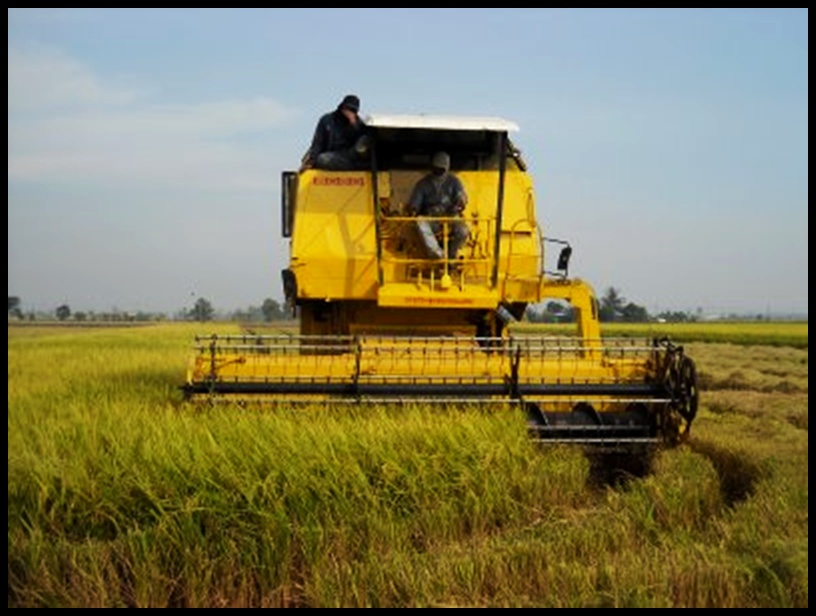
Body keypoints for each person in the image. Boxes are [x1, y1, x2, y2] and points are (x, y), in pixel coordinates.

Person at [407, 151, 469, 262]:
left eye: (441, 169)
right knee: (420, 222)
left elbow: (461, 196)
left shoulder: (454, 182)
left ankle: (451, 256)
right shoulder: (423, 184)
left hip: (451, 216)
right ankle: (439, 255)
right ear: (432, 167)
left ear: (447, 168)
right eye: (436, 169)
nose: (438, 172)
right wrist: (413, 209)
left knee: (463, 231)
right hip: (432, 218)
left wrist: (461, 202)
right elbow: (415, 202)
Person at [302, 94, 370, 170]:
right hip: (333, 156)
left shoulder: (359, 123)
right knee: (322, 159)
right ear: (342, 107)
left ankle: (358, 166)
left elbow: (360, 144)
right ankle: (355, 167)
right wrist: (312, 161)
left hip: (351, 155)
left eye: (353, 110)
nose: (349, 112)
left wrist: (353, 124)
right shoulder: (327, 120)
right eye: (347, 108)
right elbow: (317, 142)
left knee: (365, 139)